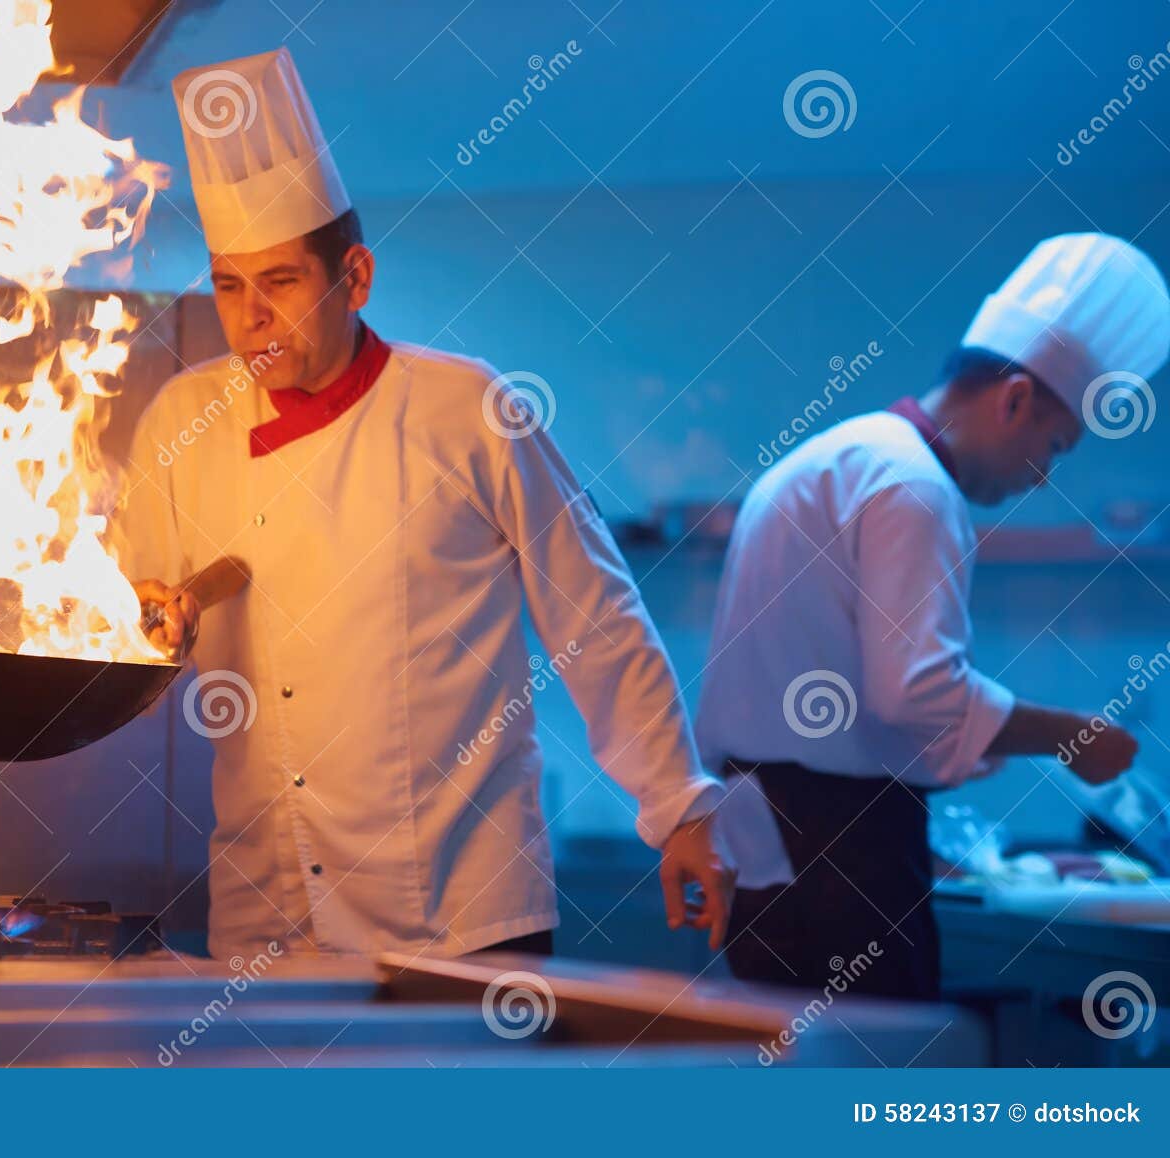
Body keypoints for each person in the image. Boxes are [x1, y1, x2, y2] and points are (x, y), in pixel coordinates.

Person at [112, 47, 731, 961]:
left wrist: (679, 807)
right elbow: (122, 621)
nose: (250, 317)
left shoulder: (467, 409)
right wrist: (140, 621)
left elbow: (594, 610)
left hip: (460, 915)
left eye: (280, 282)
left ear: (354, 279)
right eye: (229, 285)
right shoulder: (181, 421)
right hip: (265, 916)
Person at [695, 233, 1170, 999]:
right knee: (872, 1069)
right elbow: (914, 689)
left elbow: (866, 691)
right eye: (1055, 446)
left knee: (803, 1062)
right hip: (837, 851)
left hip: (774, 841)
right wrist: (1068, 735)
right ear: (1014, 399)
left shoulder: (846, 454)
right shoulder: (915, 487)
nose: (1042, 478)